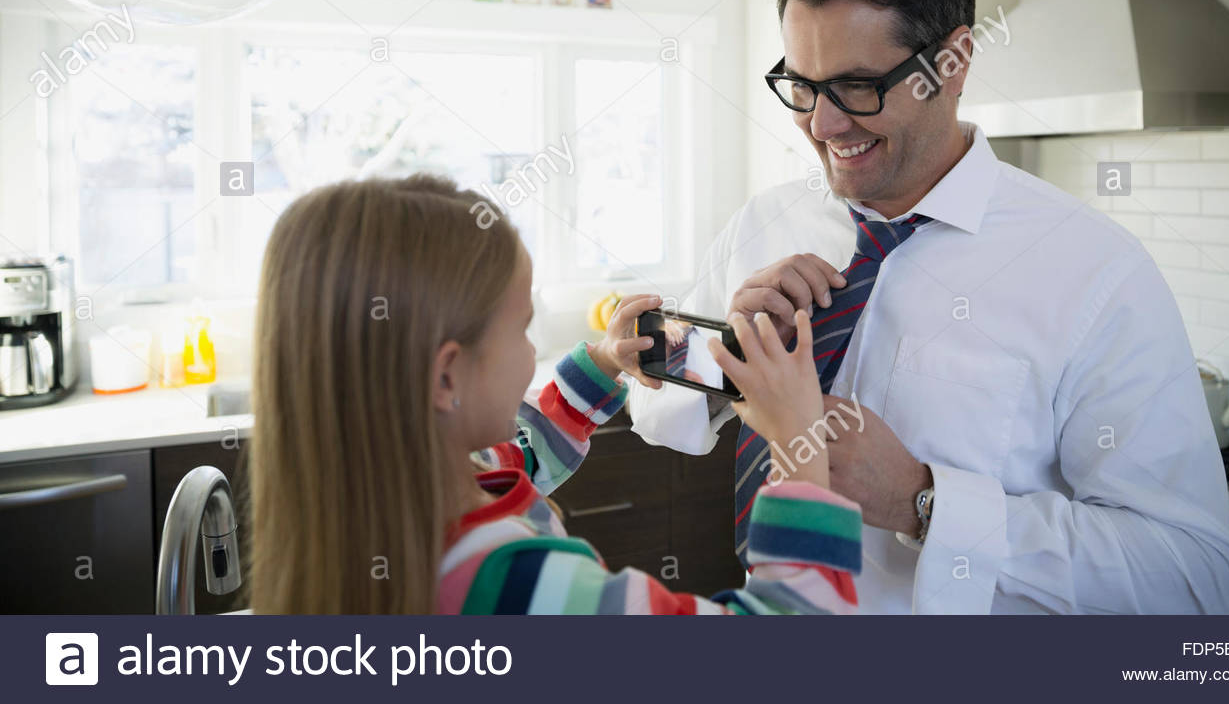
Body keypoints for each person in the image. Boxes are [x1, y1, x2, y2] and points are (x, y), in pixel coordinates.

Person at [627, 0, 1229, 614]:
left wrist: (923, 499)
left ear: (952, 64)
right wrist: (704, 351)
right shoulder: (766, 221)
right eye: (802, 86)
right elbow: (663, 421)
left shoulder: (1098, 274)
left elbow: (1192, 580)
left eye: (858, 87)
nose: (823, 127)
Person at [250, 174, 863, 615]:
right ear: (445, 378)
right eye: (521, 328)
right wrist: (798, 445)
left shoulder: (383, 506)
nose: (531, 347)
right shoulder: (522, 587)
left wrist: (603, 360)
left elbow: (525, 453)